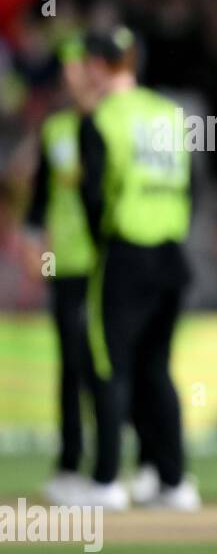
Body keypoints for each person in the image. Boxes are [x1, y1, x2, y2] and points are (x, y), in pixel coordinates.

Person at [77, 26, 200, 511]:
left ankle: (107, 480)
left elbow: (92, 197)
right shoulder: (170, 115)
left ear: (100, 66)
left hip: (125, 253)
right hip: (171, 255)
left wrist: (100, 243)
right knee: (157, 369)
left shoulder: (101, 118)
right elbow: (191, 188)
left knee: (111, 366)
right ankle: (175, 482)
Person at [21, 36, 101, 504]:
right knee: (73, 363)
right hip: (69, 264)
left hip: (115, 263)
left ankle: (137, 464)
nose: (74, 77)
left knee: (112, 367)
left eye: (81, 66)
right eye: (68, 68)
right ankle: (72, 462)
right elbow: (38, 204)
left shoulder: (117, 123)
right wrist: (34, 249)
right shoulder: (56, 131)